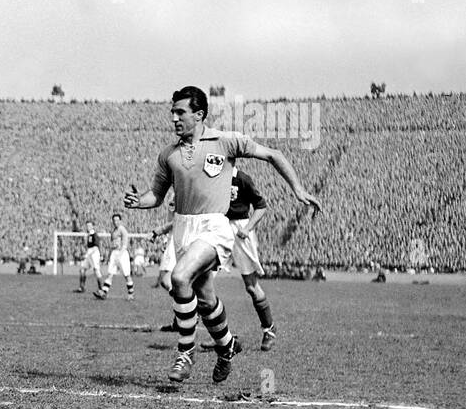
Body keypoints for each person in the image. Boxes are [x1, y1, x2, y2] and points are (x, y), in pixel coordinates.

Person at [125, 86, 320, 385]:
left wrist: (298, 189)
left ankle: (185, 353)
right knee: (204, 298)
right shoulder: (169, 155)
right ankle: (227, 345)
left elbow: (273, 154)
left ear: (199, 114)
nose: (174, 118)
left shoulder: (225, 141)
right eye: (173, 112)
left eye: (181, 112)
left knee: (179, 278)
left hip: (215, 226)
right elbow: (157, 196)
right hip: (183, 228)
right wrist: (140, 201)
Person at [226, 167, 277, 351]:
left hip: (240, 229)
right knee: (205, 280)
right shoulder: (214, 176)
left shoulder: (242, 179)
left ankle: (269, 329)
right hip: (219, 228)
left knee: (251, 286)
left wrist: (247, 228)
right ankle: (221, 335)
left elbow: (261, 206)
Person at [96, 213, 134, 300]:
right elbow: (113, 243)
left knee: (126, 274)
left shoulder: (122, 230)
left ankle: (131, 294)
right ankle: (104, 292)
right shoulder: (113, 231)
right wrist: (110, 254)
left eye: (117, 220)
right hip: (114, 252)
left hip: (122, 253)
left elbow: (125, 244)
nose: (115, 222)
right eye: (114, 220)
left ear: (120, 221)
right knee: (110, 273)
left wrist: (120, 255)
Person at [76, 225, 104, 293]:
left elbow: (96, 247)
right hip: (89, 254)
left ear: (92, 226)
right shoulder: (89, 235)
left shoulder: (95, 235)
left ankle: (101, 289)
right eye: (87, 225)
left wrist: (87, 254)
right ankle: (82, 287)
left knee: (96, 270)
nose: (87, 227)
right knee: (82, 269)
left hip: (94, 254)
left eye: (89, 226)